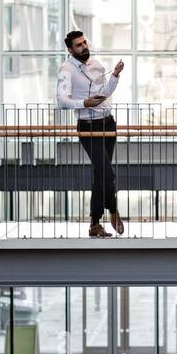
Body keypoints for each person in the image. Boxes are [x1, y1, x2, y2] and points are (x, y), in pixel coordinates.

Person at [57, 30, 125, 237]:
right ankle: (113, 210)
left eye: (84, 42)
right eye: (78, 45)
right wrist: (84, 103)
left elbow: (105, 93)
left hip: (108, 123)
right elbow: (62, 101)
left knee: (100, 175)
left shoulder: (96, 65)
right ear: (70, 49)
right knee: (107, 173)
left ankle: (94, 224)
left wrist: (114, 75)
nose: (84, 46)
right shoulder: (66, 70)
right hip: (88, 126)